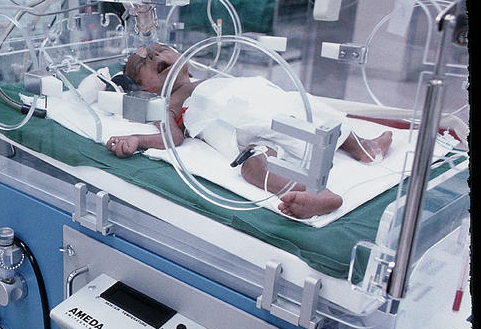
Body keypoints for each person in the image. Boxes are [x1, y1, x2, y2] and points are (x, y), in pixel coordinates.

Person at [105, 43, 392, 219]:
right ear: (143, 90)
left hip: (267, 100)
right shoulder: (170, 103)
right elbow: (173, 137)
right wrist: (137, 139)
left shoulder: (212, 78)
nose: (153, 53)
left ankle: (364, 148)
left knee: (315, 110)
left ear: (186, 61)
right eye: (143, 62)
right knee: (254, 165)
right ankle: (314, 194)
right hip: (241, 128)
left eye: (161, 49)